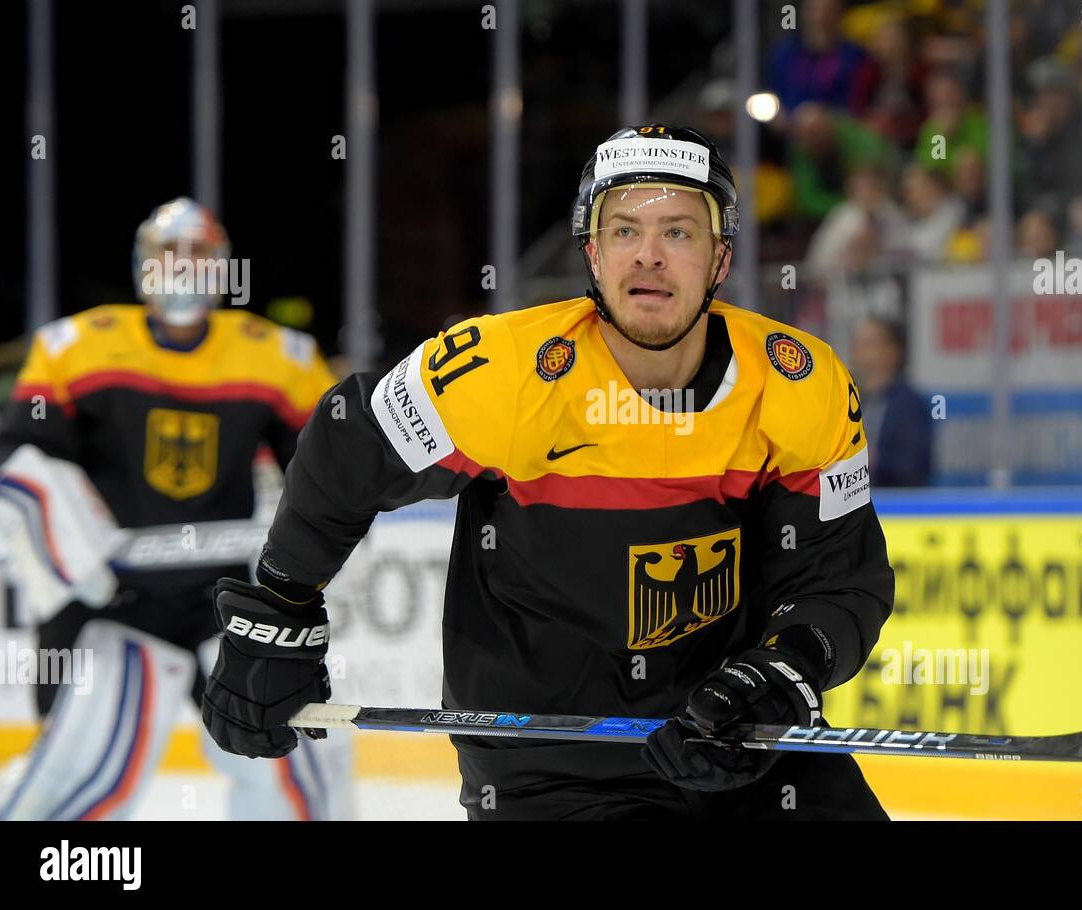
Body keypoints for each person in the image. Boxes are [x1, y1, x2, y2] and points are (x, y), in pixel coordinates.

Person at [202, 125, 897, 821]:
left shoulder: (799, 382)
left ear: (721, 256)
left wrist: (779, 676)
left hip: (737, 739)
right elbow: (349, 440)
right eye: (624, 230)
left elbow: (837, 579)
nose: (649, 257)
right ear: (592, 251)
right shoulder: (500, 371)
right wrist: (280, 610)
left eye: (679, 232)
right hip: (548, 773)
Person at [0, 198, 347, 820]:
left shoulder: (276, 354)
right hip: (114, 603)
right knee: (81, 772)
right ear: (142, 267)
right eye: (169, 255)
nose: (183, 269)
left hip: (230, 604)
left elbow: (328, 469)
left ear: (223, 268)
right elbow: (20, 470)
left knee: (294, 775)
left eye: (199, 256)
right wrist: (72, 558)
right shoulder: (77, 346)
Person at [851, 317, 932, 488]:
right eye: (858, 343)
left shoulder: (909, 404)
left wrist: (875, 460)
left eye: (870, 343)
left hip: (897, 506)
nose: (860, 351)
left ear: (892, 351)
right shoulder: (850, 399)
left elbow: (915, 465)